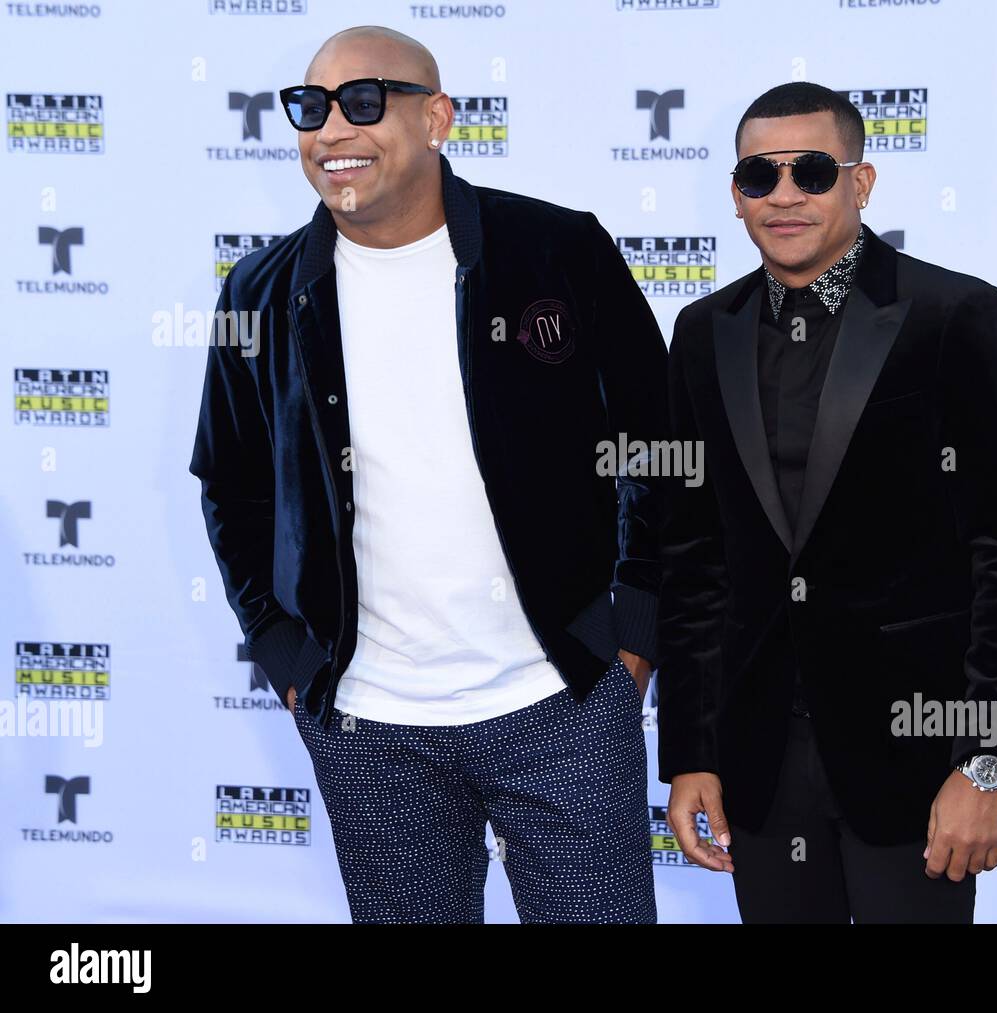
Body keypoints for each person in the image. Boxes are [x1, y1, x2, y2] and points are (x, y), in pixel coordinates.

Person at [189, 25, 666, 924]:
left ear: (437, 116)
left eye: (364, 101)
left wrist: (631, 634)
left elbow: (657, 446)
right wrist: (287, 653)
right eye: (311, 107)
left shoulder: (557, 249)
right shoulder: (255, 291)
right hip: (370, 728)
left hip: (560, 698)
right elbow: (230, 482)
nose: (333, 129)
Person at [656, 82, 997, 923]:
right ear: (735, 195)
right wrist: (691, 751)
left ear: (861, 181)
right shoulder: (703, 331)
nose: (785, 196)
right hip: (761, 762)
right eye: (758, 177)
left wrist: (983, 760)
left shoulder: (954, 317)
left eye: (811, 169)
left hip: (916, 759)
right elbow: (697, 557)